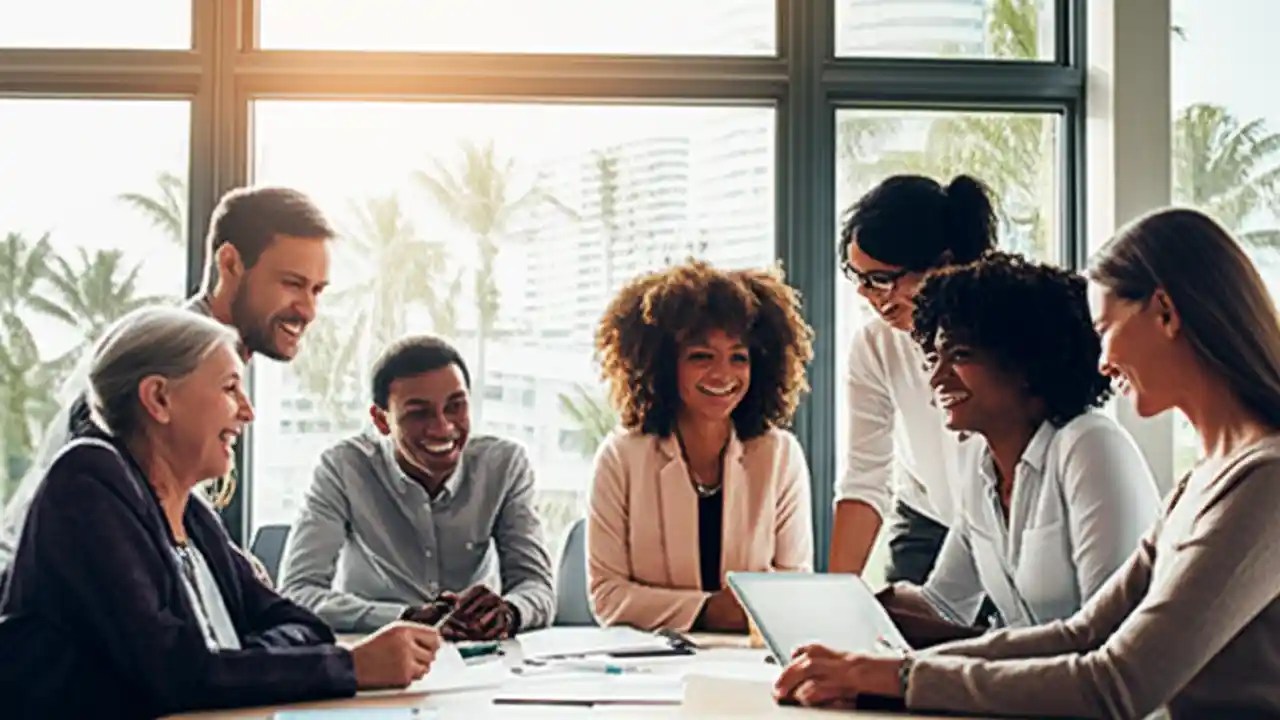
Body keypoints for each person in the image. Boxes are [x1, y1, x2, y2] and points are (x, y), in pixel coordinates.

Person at [775, 208, 1280, 718]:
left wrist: (899, 677)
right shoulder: (1201, 482)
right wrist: (884, 669)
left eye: (1104, 329)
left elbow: (1117, 683)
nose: (1103, 361)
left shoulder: (1265, 479)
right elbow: (1082, 632)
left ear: (1165, 313)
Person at [0, 308, 439, 718]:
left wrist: (235, 661)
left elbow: (301, 624)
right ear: (159, 398)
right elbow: (172, 673)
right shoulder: (87, 480)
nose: (247, 411)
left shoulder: (191, 513)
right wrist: (350, 667)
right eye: (230, 388)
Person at [0, 185, 335, 581]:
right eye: (292, 284)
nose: (308, 310)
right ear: (230, 263)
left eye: (317, 290)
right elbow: (99, 505)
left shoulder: (208, 366)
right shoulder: (158, 356)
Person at [875, 252, 1159, 645]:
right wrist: (860, 606)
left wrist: (966, 655)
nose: (937, 378)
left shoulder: (1090, 446)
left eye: (959, 355)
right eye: (933, 358)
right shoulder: (981, 466)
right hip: (1029, 684)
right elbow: (945, 605)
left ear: (1026, 360)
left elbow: (1105, 635)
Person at [587, 260, 815, 632]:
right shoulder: (621, 456)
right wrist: (708, 610)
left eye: (738, 357)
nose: (723, 374)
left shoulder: (779, 455)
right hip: (654, 657)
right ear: (663, 364)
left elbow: (795, 587)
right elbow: (608, 596)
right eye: (701, 356)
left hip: (748, 657)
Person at [279, 335, 555, 638]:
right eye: (419, 413)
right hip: (377, 649)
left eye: (455, 406)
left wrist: (508, 612)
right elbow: (297, 593)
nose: (443, 427)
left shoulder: (504, 465)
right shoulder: (343, 468)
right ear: (381, 420)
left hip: (476, 651)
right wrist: (405, 618)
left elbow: (537, 587)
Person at [831, 174, 996, 584]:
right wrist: (834, 594)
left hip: (1005, 517)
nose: (869, 294)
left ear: (943, 264)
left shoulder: (1002, 335)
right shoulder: (875, 345)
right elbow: (865, 477)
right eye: (858, 277)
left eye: (881, 279)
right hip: (928, 521)